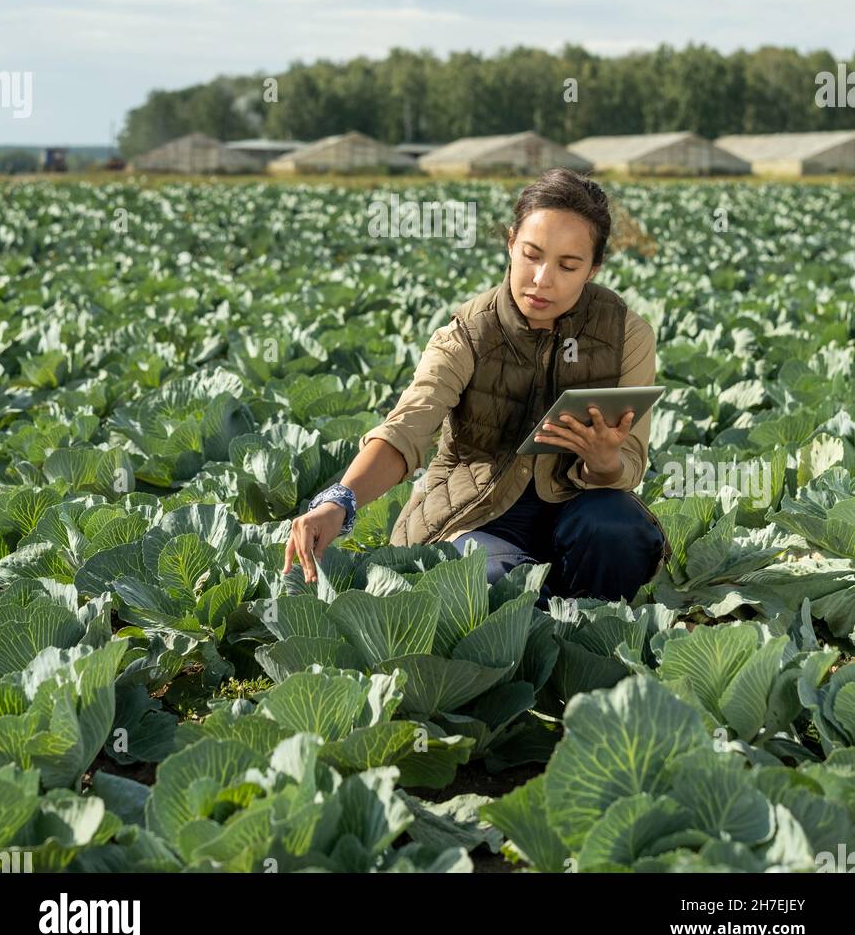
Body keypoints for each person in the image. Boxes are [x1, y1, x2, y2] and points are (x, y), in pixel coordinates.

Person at [282, 168, 671, 608]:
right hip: (478, 515)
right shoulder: (469, 331)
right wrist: (339, 502)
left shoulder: (627, 335)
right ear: (510, 244)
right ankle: (542, 617)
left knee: (620, 532)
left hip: (578, 506)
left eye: (567, 265)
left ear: (594, 268)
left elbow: (630, 463)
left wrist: (604, 462)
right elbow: (408, 428)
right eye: (531, 254)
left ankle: (592, 627)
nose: (543, 279)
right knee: (495, 586)